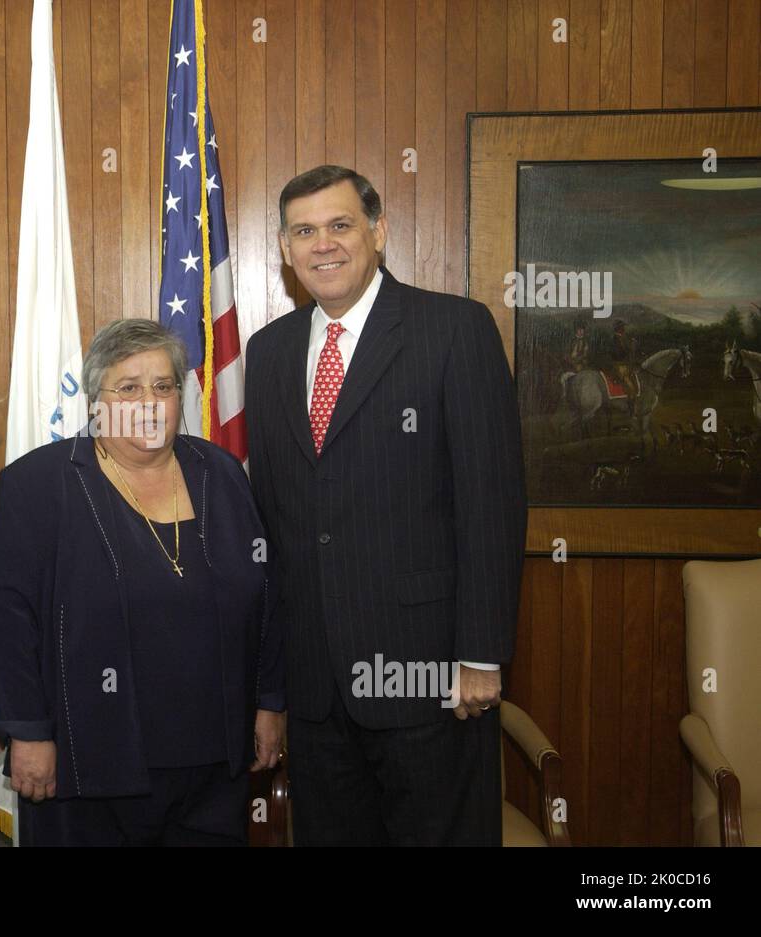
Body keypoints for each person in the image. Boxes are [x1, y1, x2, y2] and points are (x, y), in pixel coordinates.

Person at [244, 165, 526, 845]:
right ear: (284, 249)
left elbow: (491, 501)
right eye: (304, 231)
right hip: (316, 690)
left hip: (431, 677)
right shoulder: (270, 352)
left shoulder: (454, 330)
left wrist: (482, 655)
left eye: (340, 225)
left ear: (379, 231)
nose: (323, 244)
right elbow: (276, 526)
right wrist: (272, 686)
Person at [0, 318, 285, 846]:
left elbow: (265, 600)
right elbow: (10, 621)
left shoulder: (222, 475)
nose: (149, 401)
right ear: (95, 401)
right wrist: (27, 732)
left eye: (163, 386)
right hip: (87, 769)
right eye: (128, 388)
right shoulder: (37, 485)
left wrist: (269, 701)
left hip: (213, 766)